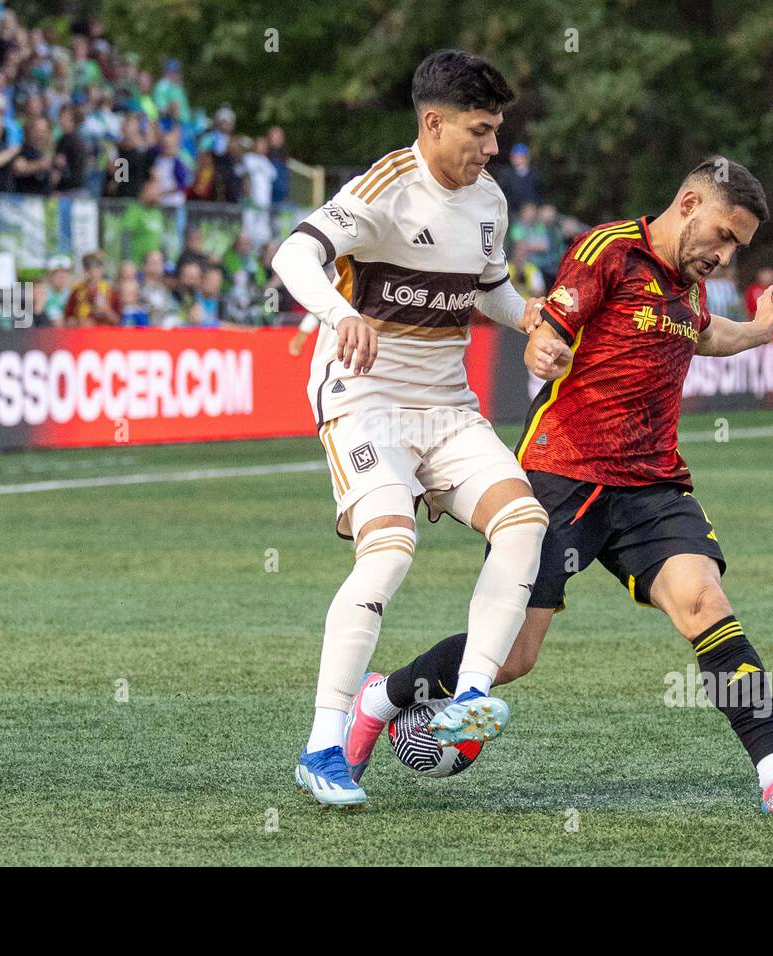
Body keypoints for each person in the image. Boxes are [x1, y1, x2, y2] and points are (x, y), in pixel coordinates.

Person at [351, 157, 773, 822]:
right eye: (723, 236)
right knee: (515, 656)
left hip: (651, 484)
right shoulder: (609, 250)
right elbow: (553, 323)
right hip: (563, 474)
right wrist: (542, 347)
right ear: (689, 203)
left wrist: (756, 331)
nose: (725, 256)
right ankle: (379, 698)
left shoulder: (688, 283)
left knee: (706, 602)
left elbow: (700, 331)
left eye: (738, 248)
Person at [272, 50, 546, 809]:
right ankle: (323, 746)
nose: (492, 149)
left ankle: (469, 698)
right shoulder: (386, 187)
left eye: (496, 133)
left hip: (447, 406)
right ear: (433, 123)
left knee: (524, 525)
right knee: (391, 549)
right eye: (481, 131)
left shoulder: (488, 200)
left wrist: (527, 317)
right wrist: (340, 313)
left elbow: (488, 287)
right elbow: (292, 255)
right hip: (364, 400)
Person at [63, 251, 120, 326]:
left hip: (105, 333)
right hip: (82, 333)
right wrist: (79, 322)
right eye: (88, 268)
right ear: (84, 270)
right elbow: (67, 319)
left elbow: (118, 321)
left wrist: (107, 310)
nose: (93, 272)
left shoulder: (111, 291)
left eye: (97, 267)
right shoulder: (77, 291)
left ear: (102, 269)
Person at [496, 142, 541, 211]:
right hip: (513, 212)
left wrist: (534, 207)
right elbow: (502, 195)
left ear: (527, 158)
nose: (518, 160)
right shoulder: (506, 175)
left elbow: (539, 195)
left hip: (533, 211)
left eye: (521, 157)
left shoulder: (534, 175)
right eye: (515, 157)